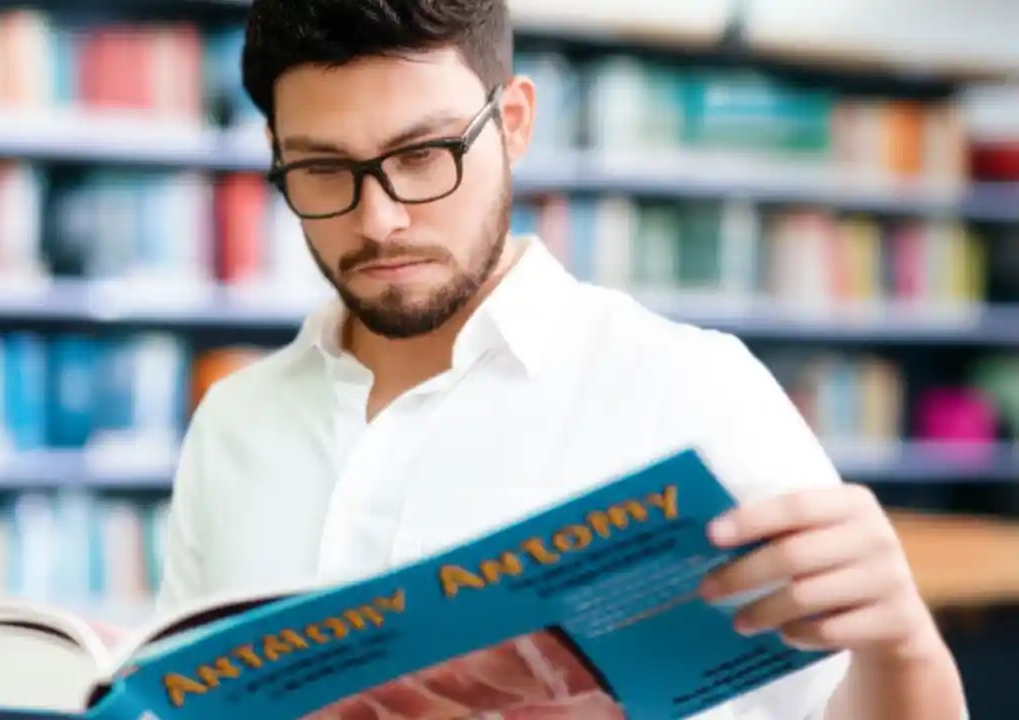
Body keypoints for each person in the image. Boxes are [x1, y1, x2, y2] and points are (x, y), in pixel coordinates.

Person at [158, 0, 968, 717]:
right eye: (323, 168)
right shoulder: (236, 421)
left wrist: (904, 647)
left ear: (512, 122)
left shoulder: (695, 392)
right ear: (274, 151)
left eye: (422, 156)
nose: (381, 221)